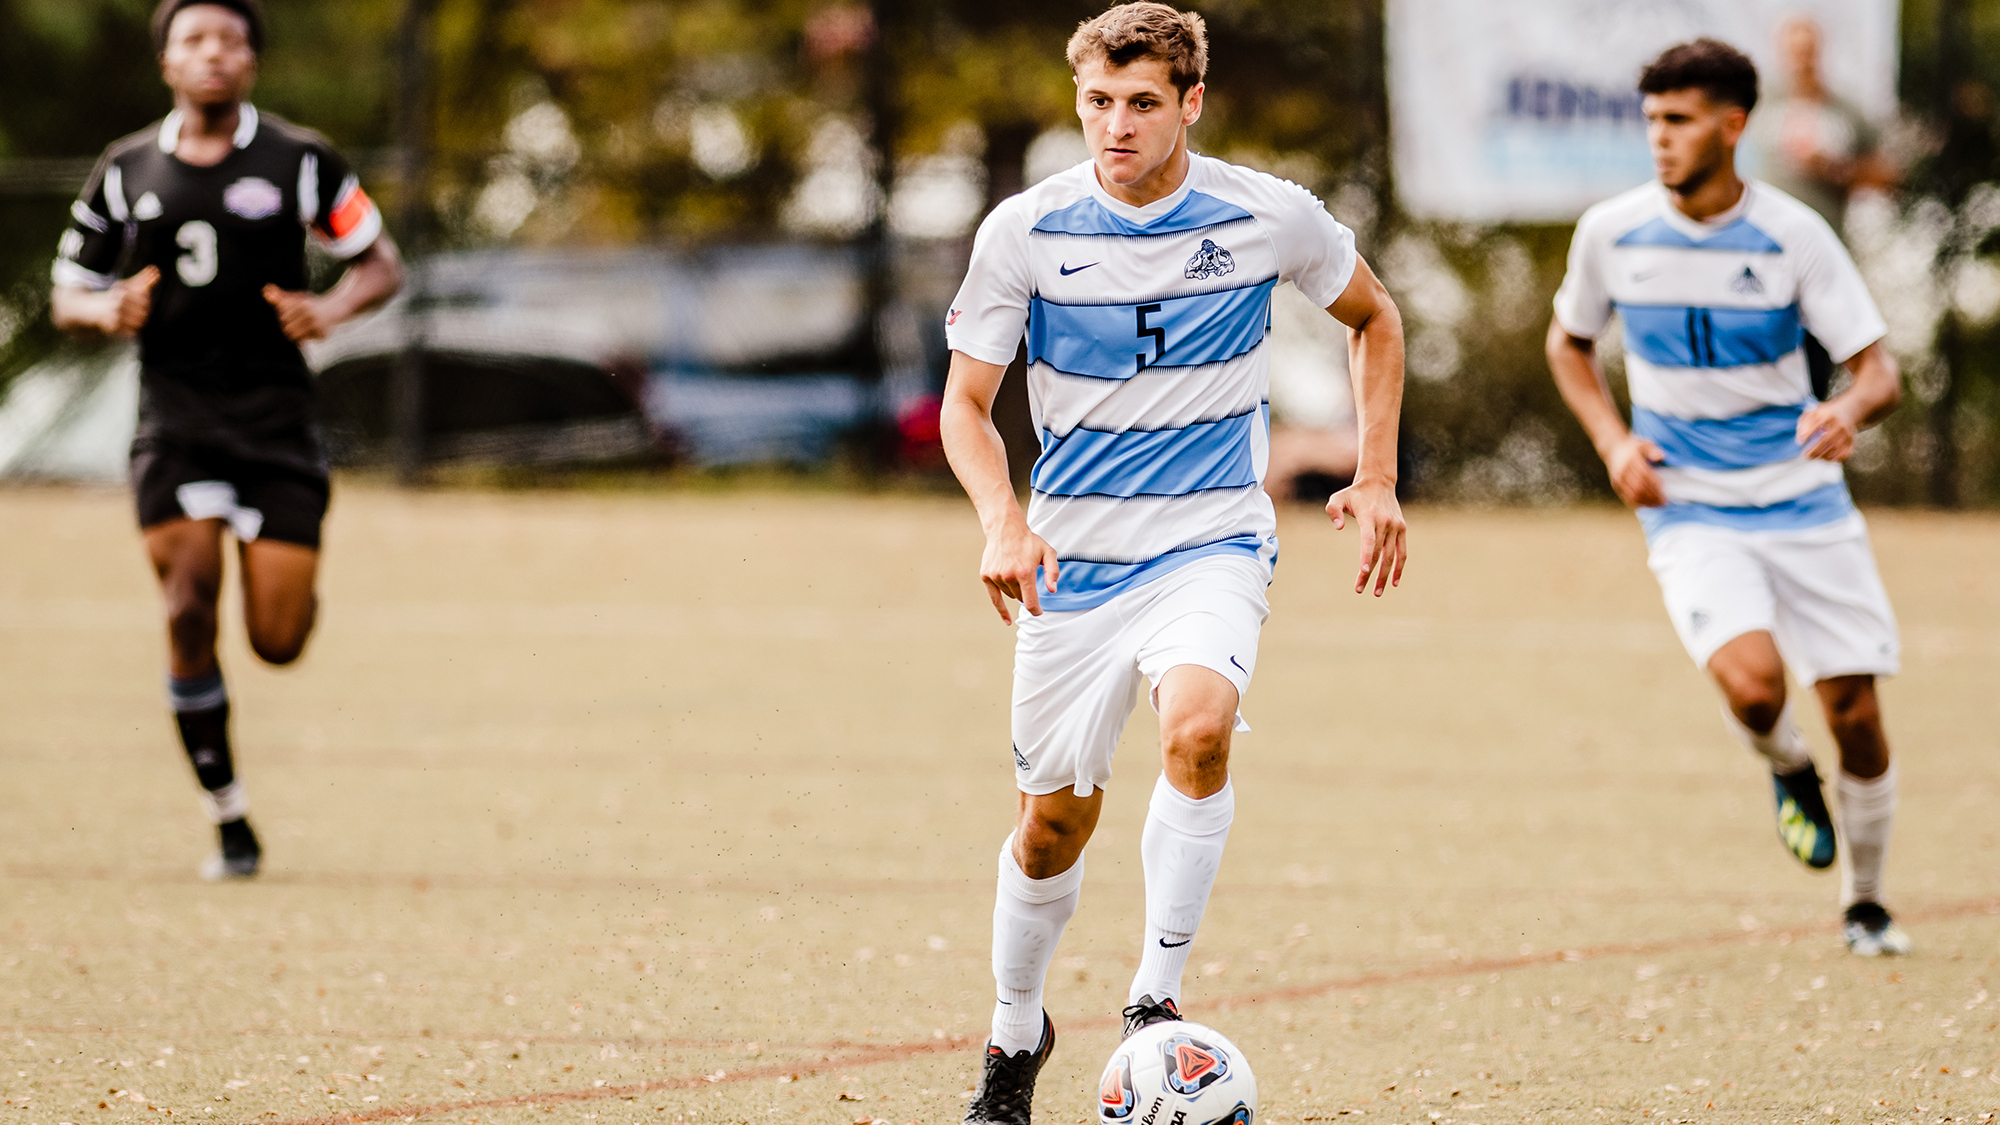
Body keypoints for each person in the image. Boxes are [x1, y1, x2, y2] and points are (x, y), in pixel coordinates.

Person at [938, 5, 1408, 1121]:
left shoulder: (1262, 213)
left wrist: (1376, 475)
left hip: (1210, 538)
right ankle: (1015, 1035)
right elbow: (964, 402)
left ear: (1190, 102)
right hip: (1074, 560)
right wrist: (1002, 522)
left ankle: (1154, 998)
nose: (1116, 125)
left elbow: (1372, 316)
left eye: (1142, 103)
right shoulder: (1026, 230)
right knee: (1051, 824)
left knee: (1196, 731)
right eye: (1097, 102)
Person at [1545, 39, 1909, 958]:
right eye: (1652, 122)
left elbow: (1878, 369)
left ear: (1732, 125)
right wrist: (1614, 440)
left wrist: (1848, 408)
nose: (1660, 140)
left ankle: (1866, 903)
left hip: (1804, 501)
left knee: (1856, 711)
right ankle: (1789, 769)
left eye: (1678, 121)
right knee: (1753, 689)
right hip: (1691, 504)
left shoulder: (1793, 234)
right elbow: (1568, 345)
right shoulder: (1612, 232)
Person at [48, 0, 403, 881]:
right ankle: (230, 817)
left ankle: (289, 579)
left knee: (276, 641)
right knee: (185, 605)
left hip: (277, 427)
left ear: (252, 61)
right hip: (176, 428)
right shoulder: (125, 170)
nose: (213, 53)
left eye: (230, 40)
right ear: (167, 63)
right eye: (193, 40)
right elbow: (68, 290)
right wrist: (105, 307)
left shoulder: (301, 160)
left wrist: (330, 306)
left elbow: (381, 262)